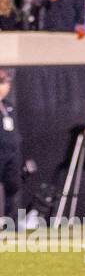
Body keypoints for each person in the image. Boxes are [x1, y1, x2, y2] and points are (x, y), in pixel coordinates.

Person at [0, 69, 23, 222]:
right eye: (3, 82)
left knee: (13, 186)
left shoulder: (8, 106)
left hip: (11, 153)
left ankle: (11, 221)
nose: (6, 86)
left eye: (7, 83)